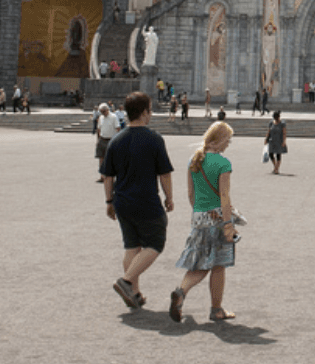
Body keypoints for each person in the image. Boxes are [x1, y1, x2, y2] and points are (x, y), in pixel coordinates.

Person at [101, 91, 175, 310]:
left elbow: (108, 176)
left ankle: (134, 293)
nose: (151, 113)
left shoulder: (116, 140)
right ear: (144, 113)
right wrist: (169, 197)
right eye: (150, 109)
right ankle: (126, 281)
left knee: (132, 246)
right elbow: (164, 174)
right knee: (155, 243)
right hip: (145, 200)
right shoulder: (154, 139)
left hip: (122, 201)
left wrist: (108, 201)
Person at [170, 121, 237, 323]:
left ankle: (181, 291)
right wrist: (228, 224)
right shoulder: (223, 163)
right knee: (218, 264)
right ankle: (216, 309)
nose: (228, 144)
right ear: (217, 141)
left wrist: (201, 212)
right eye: (227, 140)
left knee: (199, 261)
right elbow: (224, 197)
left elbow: (191, 194)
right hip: (218, 218)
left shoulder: (194, 160)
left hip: (199, 216)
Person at [94, 103, 121, 181]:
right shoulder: (101, 118)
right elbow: (98, 129)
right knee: (101, 158)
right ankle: (102, 176)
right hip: (102, 139)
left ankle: (113, 176)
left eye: (104, 111)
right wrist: (98, 140)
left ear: (107, 110)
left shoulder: (113, 117)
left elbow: (118, 128)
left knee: (112, 159)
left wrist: (117, 140)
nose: (103, 113)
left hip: (111, 140)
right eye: (101, 112)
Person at [265, 110, 288, 174]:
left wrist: (284, 141)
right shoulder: (271, 123)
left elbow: (284, 133)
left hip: (279, 141)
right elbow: (269, 131)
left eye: (276, 118)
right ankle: (275, 166)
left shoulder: (282, 123)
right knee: (270, 154)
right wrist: (266, 139)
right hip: (272, 141)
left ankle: (276, 169)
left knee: (278, 155)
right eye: (274, 118)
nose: (275, 119)